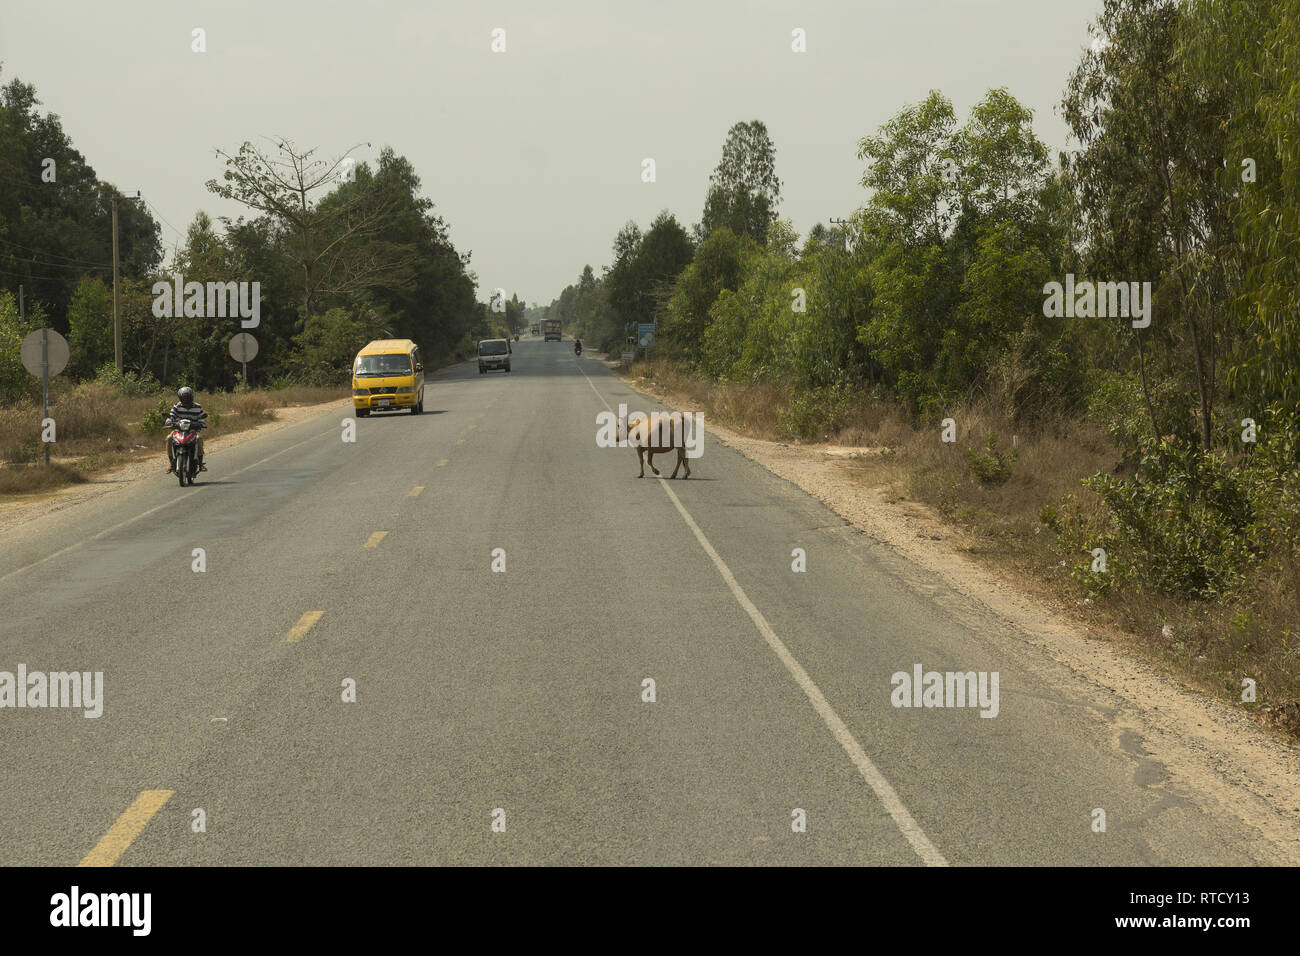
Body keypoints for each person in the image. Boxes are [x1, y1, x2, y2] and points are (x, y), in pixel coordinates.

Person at [165, 386, 207, 473]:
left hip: (193, 431)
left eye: (187, 397)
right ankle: (171, 463)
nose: (186, 399)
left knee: (199, 439)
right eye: (184, 398)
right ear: (180, 398)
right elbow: (171, 416)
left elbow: (201, 418)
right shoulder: (177, 406)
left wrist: (201, 424)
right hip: (179, 430)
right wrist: (169, 422)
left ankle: (200, 463)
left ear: (191, 397)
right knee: (169, 438)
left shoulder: (198, 407)